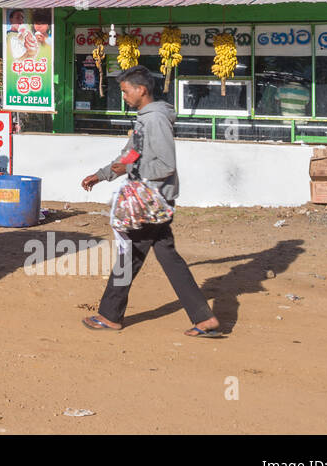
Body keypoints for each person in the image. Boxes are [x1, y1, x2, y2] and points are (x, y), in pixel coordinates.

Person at [80, 65, 222, 338]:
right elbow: (131, 155)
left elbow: (165, 165)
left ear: (141, 90)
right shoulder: (146, 118)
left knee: (130, 257)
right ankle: (204, 318)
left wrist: (131, 170)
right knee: (166, 256)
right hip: (155, 199)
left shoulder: (155, 119)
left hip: (151, 201)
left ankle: (110, 316)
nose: (123, 96)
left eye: (125, 91)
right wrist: (101, 175)